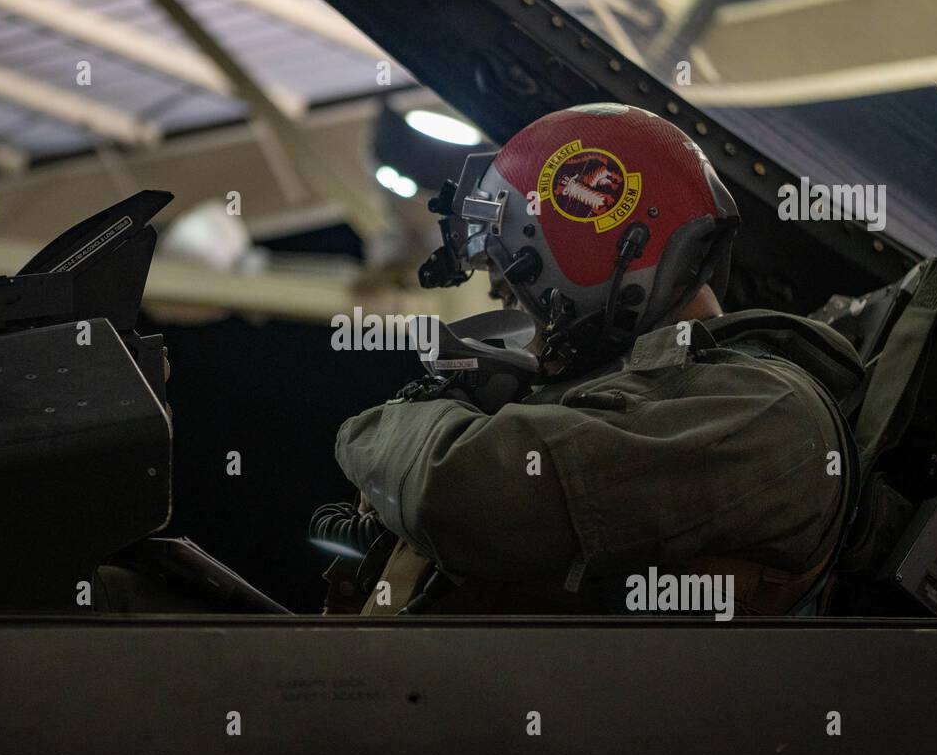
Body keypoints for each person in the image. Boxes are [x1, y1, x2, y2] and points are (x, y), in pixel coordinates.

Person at [327, 103, 864, 616]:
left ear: (585, 251)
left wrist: (379, 426)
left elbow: (460, 495)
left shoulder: (765, 411)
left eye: (515, 296)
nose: (519, 334)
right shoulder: (656, 399)